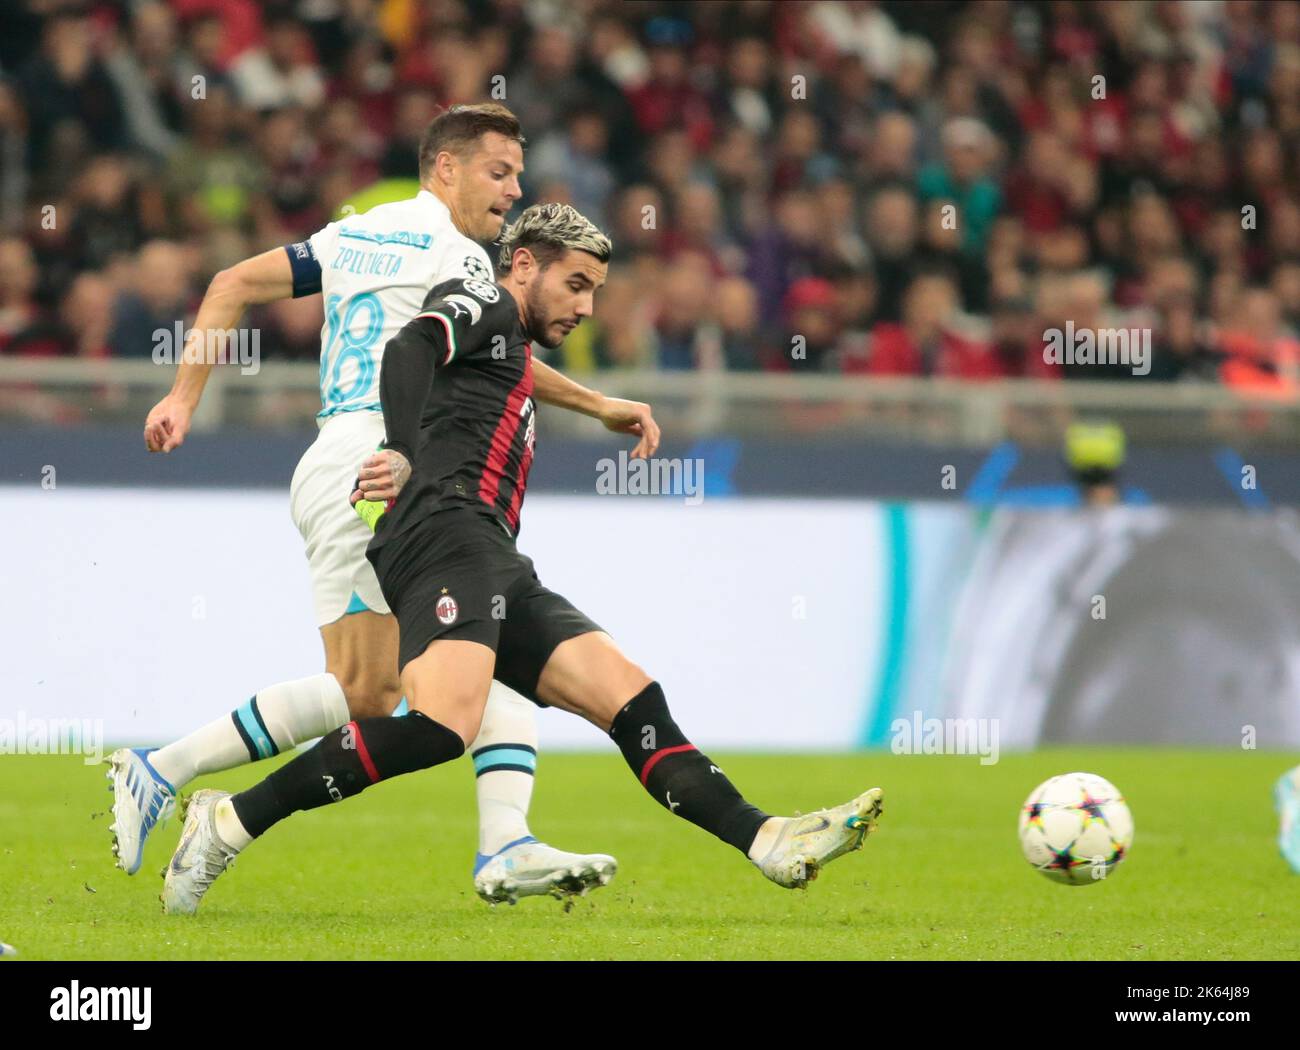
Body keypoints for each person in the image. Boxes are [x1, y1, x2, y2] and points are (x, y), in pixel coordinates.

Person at [161, 203, 883, 914]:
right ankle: (227, 823)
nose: (589, 306)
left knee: (630, 698)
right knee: (441, 725)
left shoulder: (504, 343)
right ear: (525, 266)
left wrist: (598, 403)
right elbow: (410, 347)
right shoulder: (484, 298)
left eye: (596, 289)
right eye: (576, 285)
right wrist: (401, 452)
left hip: (493, 556)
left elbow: (479, 365)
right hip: (442, 534)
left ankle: (767, 839)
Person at [112, 103, 660, 905]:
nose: (512, 191)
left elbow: (231, 284)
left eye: (515, 174)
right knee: (386, 682)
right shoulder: (463, 262)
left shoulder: (354, 234)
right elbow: (492, 355)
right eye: (497, 172)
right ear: (445, 166)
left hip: (329, 464)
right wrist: (598, 402)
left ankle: (504, 841)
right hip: (391, 468)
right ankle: (173, 774)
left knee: (452, 659)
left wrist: (183, 396)